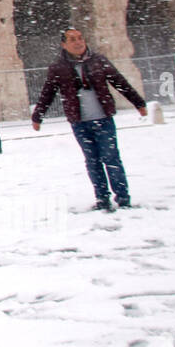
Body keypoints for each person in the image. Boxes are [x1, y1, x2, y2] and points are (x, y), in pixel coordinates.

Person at [31, 28, 147, 211]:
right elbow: (48, 92)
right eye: (72, 39)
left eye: (80, 38)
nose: (78, 42)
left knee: (111, 158)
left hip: (103, 118)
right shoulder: (58, 68)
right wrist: (38, 115)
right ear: (64, 45)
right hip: (80, 122)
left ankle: (123, 198)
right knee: (92, 160)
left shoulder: (98, 61)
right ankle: (102, 198)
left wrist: (138, 103)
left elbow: (119, 82)